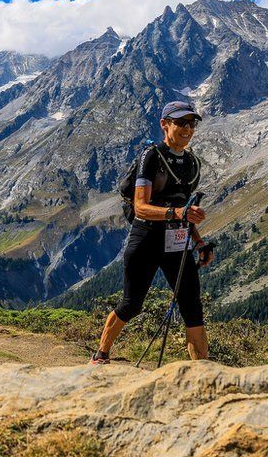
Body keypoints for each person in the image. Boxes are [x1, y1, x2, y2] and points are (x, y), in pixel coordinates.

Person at [91, 101, 216, 365]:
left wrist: (199, 242)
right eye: (180, 123)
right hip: (146, 237)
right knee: (132, 304)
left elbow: (184, 211)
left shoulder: (192, 163)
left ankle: (202, 371)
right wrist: (177, 213)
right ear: (164, 124)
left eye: (191, 124)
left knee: (192, 308)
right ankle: (101, 354)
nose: (187, 129)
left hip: (177, 242)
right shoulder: (151, 156)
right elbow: (141, 207)